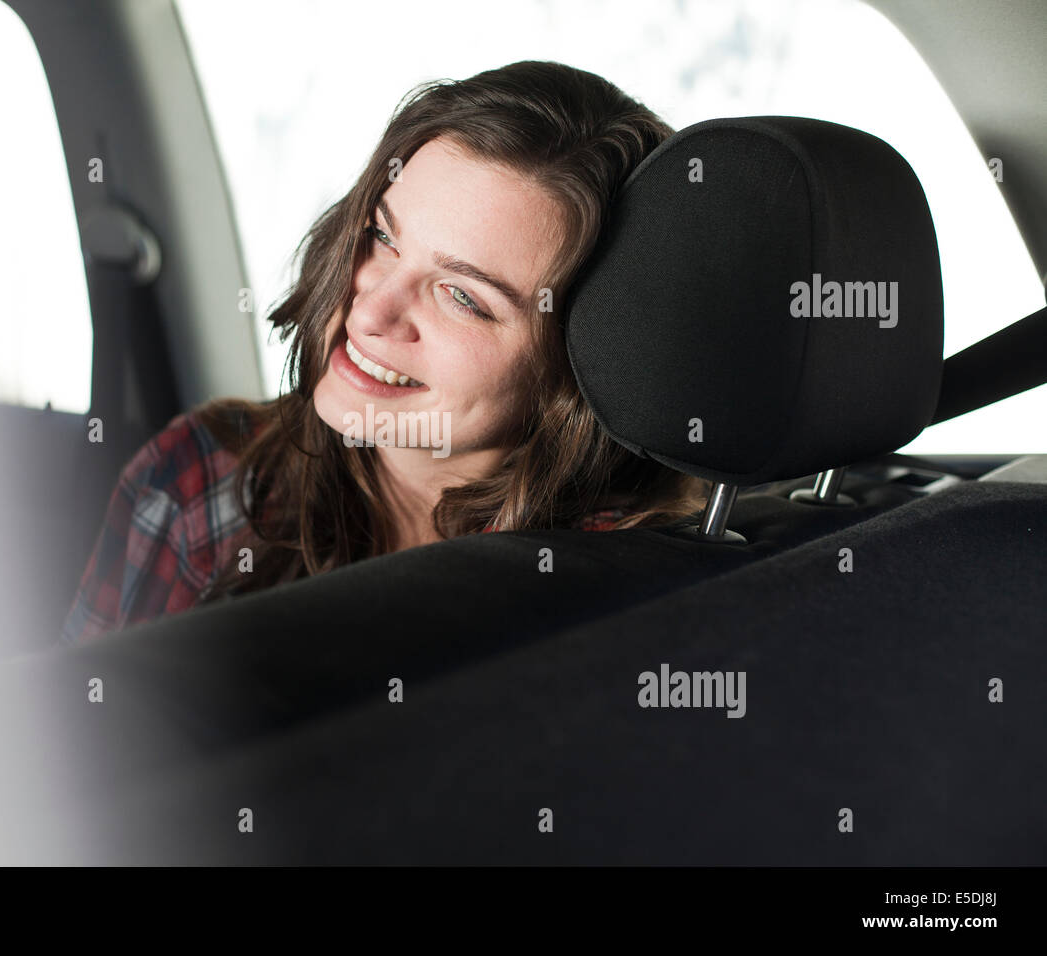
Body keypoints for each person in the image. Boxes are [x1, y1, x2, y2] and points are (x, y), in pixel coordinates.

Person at [61, 60, 709, 646]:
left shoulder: (631, 603)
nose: (369, 312)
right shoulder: (195, 481)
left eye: (462, 296)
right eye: (380, 235)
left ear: (584, 359)